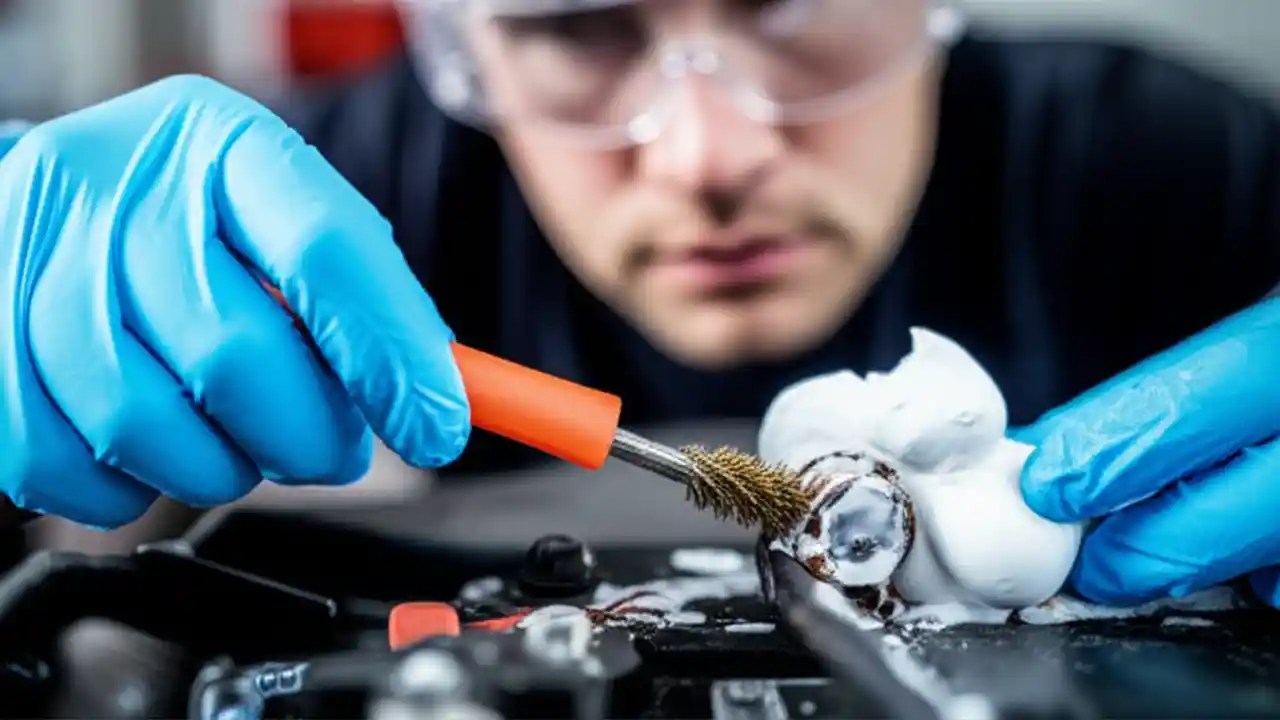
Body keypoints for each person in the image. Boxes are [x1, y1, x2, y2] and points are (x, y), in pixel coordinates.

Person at [0, 0, 1277, 608]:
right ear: (461, 46)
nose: (706, 157)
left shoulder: (1180, 169)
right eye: (574, 25)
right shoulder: (285, 222)